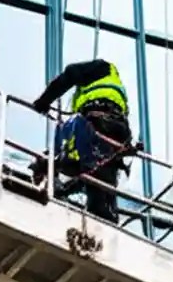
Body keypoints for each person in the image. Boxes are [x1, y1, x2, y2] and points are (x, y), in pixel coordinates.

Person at [29, 59, 133, 223]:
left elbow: (71, 73)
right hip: (115, 130)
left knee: (75, 158)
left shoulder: (101, 67)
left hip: (99, 121)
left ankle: (48, 176)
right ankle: (103, 218)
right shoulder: (116, 90)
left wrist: (43, 101)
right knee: (100, 178)